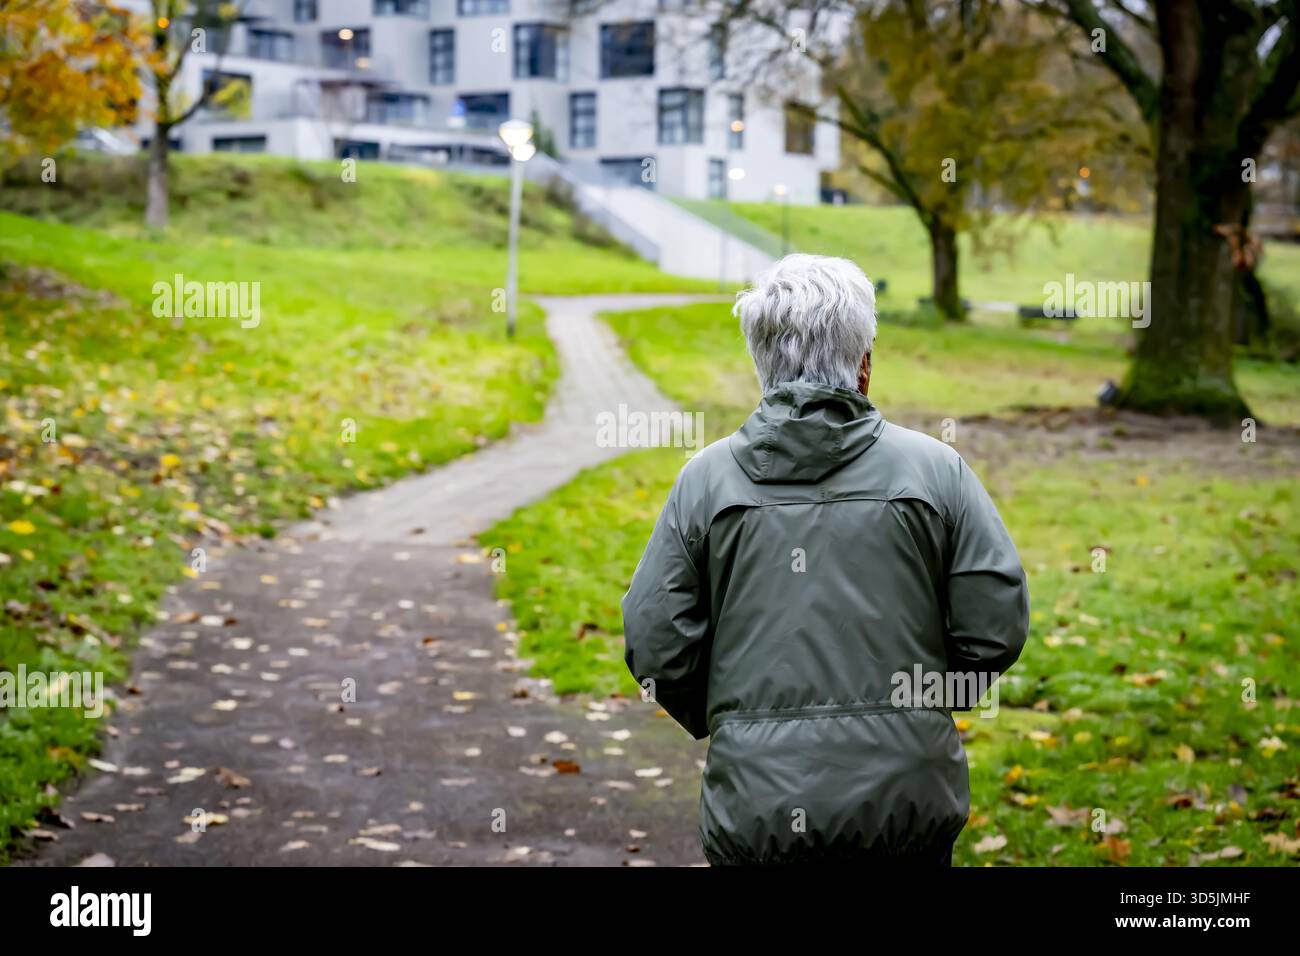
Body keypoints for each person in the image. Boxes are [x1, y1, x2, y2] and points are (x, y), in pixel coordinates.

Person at [621, 254, 1029, 865]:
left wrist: (731, 715)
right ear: (864, 365)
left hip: (757, 807)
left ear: (761, 364)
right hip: (908, 803)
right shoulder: (937, 471)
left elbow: (656, 643)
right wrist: (920, 704)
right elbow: (993, 625)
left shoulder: (705, 482)